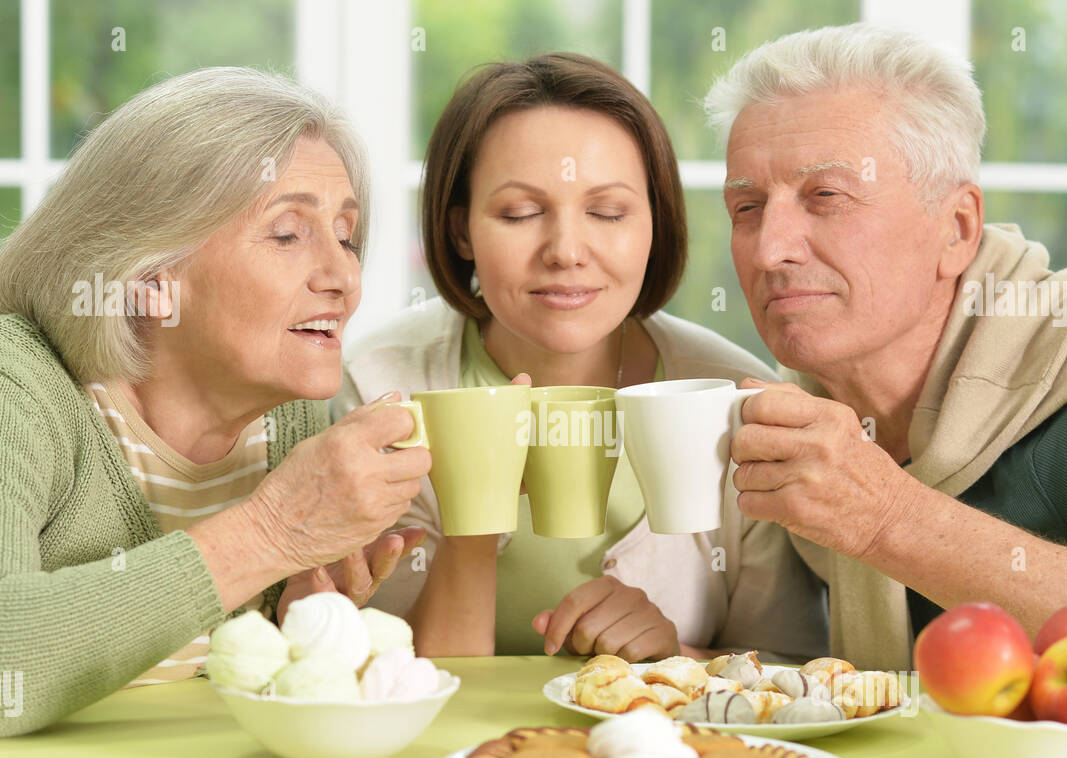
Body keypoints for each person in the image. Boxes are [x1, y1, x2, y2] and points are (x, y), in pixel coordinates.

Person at [706, 25, 1067, 740]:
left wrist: (888, 519)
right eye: (746, 207)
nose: (770, 249)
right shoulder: (802, 413)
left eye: (825, 195)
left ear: (956, 228)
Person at [0, 68, 431, 741]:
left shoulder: (290, 415)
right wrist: (272, 532)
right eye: (287, 234)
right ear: (152, 278)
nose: (343, 277)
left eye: (346, 235)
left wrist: (303, 624)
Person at [337, 53, 827, 663]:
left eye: (607, 212)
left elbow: (793, 671)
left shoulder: (730, 396)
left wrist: (677, 655)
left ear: (656, 223)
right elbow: (389, 675)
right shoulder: (379, 386)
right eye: (520, 213)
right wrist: (475, 515)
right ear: (461, 231)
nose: (567, 251)